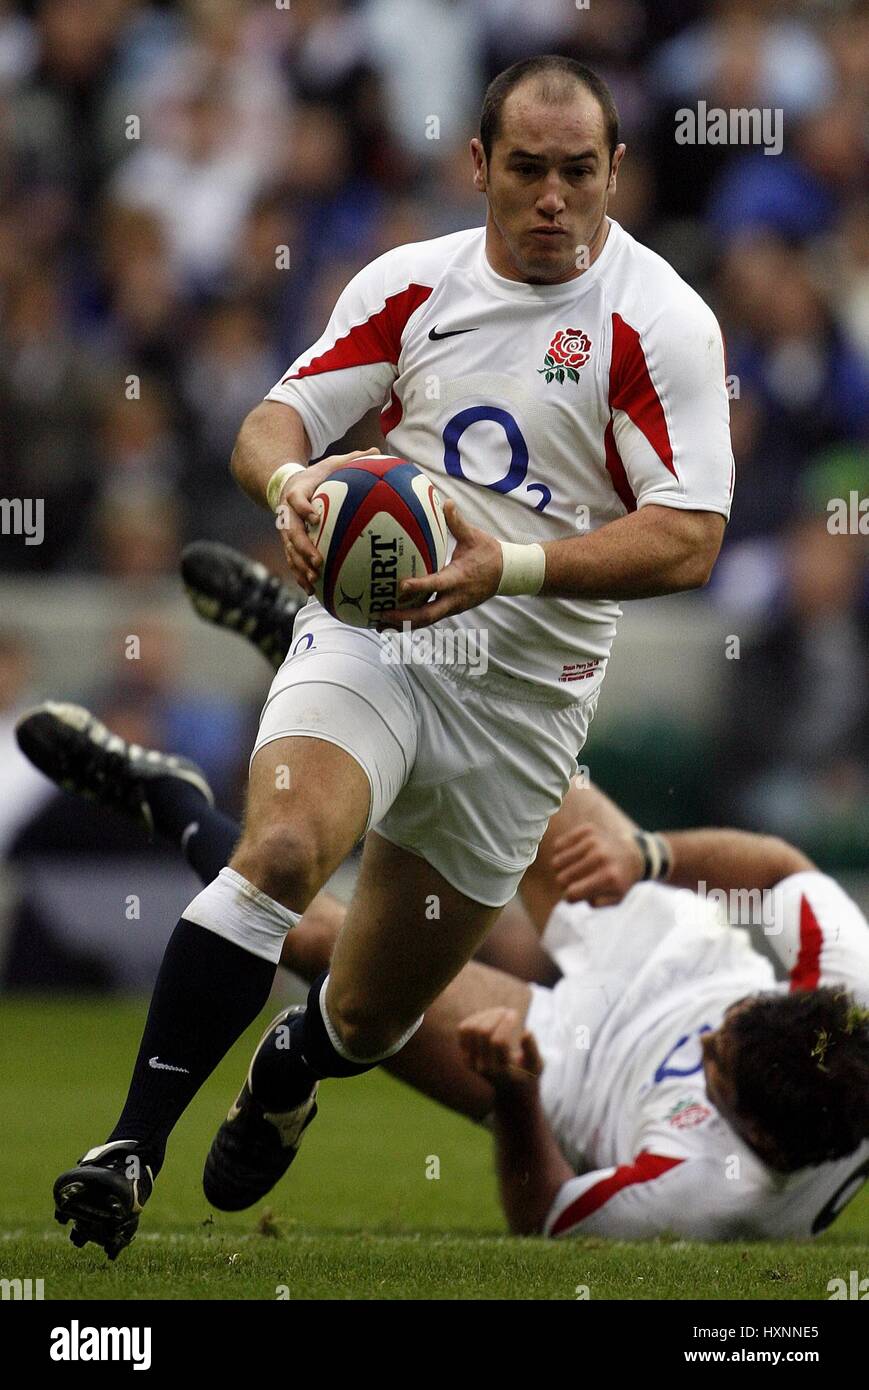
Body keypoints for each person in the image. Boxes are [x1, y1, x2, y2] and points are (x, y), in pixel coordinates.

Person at [40, 55, 734, 1259]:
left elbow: (689, 540)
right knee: (284, 852)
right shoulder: (412, 285)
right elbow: (274, 421)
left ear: (617, 171)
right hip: (377, 636)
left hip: (523, 706)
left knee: (366, 1012)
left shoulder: (658, 320)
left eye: (581, 172)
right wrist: (292, 482)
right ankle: (126, 1150)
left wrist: (503, 566)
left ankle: (290, 1066)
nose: (554, 198)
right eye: (526, 169)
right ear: (477, 167)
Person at [18, 686, 869, 1243]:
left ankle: (165, 799)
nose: (713, 1037)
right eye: (740, 1019)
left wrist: (517, 1089)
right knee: (514, 767)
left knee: (327, 950)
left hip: (576, 1070)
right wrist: (643, 854)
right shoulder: (852, 995)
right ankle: (350, 678)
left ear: (754, 1138)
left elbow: (544, 1216)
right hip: (672, 953)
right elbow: (777, 869)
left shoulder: (710, 1200)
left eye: (715, 1062)